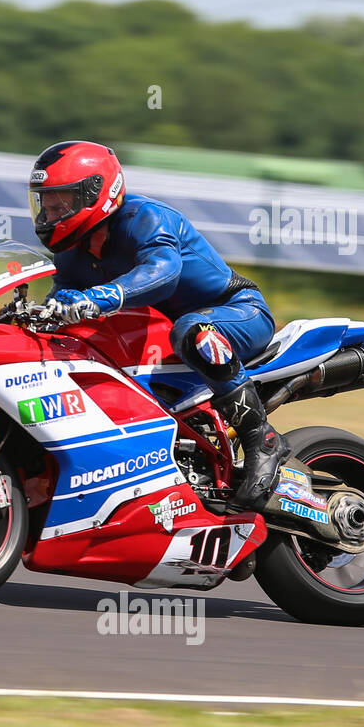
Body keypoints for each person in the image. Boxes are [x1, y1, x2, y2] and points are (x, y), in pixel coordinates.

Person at [28, 140, 287, 507]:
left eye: (61, 201)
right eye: (45, 201)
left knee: (193, 331)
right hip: (167, 335)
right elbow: (61, 297)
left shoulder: (145, 218)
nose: (50, 211)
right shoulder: (72, 253)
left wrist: (101, 297)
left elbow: (162, 273)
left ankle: (262, 438)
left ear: (96, 192)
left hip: (236, 312)